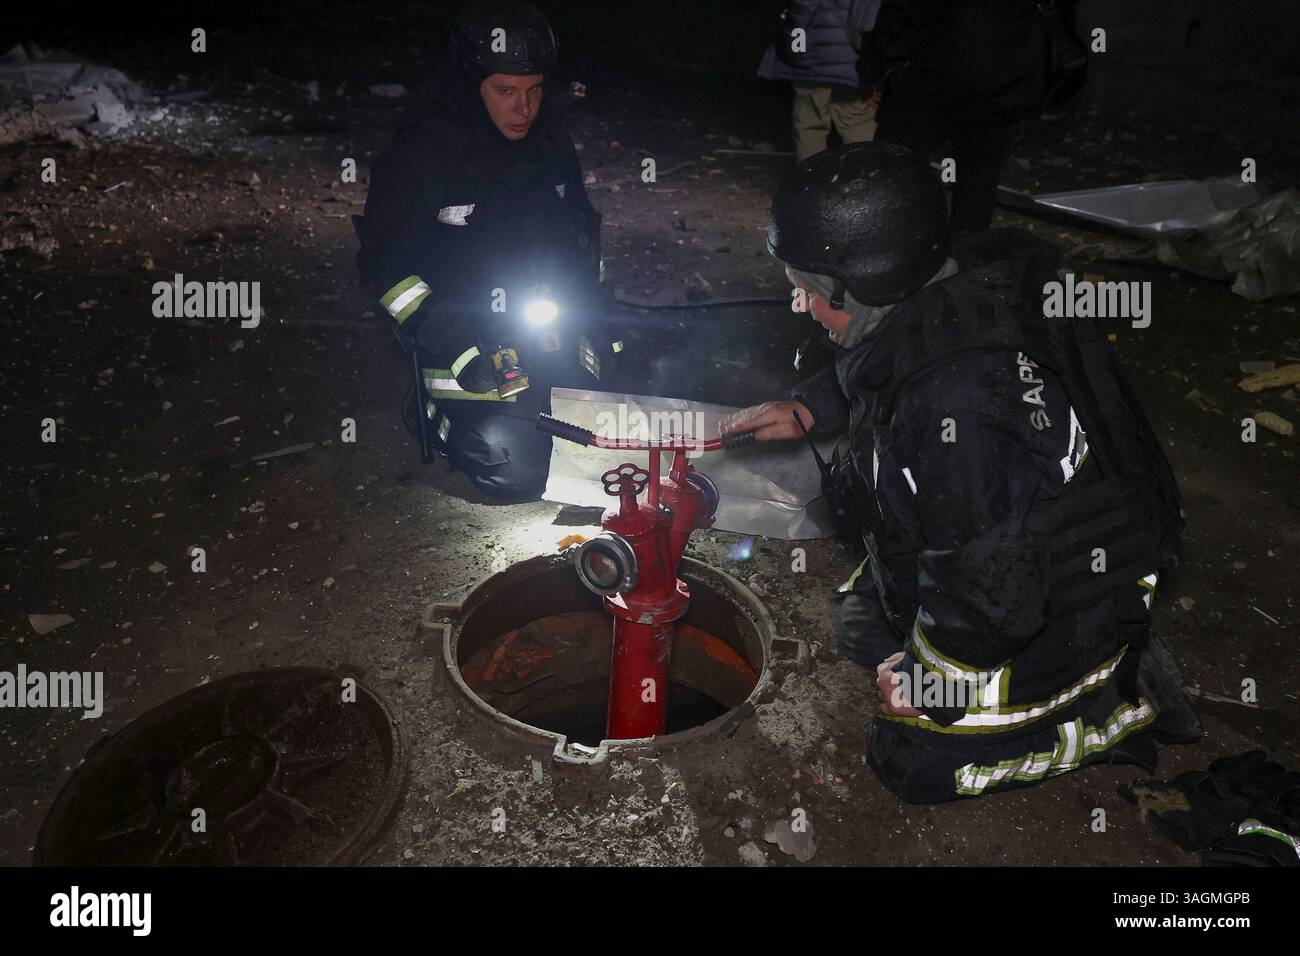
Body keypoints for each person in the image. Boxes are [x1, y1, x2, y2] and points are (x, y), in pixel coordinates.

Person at [721, 142, 1199, 803]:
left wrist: (929, 684)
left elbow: (993, 592)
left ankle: (1109, 709)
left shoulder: (962, 412)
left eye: (805, 291)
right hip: (1038, 543)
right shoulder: (959, 276)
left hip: (1040, 589)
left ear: (857, 287)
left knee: (909, 762)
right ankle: (1108, 651)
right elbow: (893, 357)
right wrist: (810, 406)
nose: (799, 306)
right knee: (863, 630)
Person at [355, 0, 613, 499]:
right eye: (506, 90)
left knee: (600, 442)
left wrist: (590, 323)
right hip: (459, 340)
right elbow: (385, 269)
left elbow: (580, 239)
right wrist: (458, 343)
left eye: (535, 90)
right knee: (516, 473)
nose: (524, 108)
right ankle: (429, 414)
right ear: (470, 86)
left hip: (543, 328)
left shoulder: (551, 144)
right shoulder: (420, 155)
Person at [868, 0, 1050, 229]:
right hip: (998, 74)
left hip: (930, 74)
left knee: (894, 171)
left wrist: (888, 62)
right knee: (977, 186)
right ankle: (963, 252)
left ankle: (887, 241)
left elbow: (901, 14)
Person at [757, 1, 882, 163]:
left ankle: (812, 181)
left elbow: (800, 13)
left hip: (813, 61)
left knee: (810, 125)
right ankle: (862, 179)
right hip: (855, 61)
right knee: (857, 123)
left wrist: (796, 52)